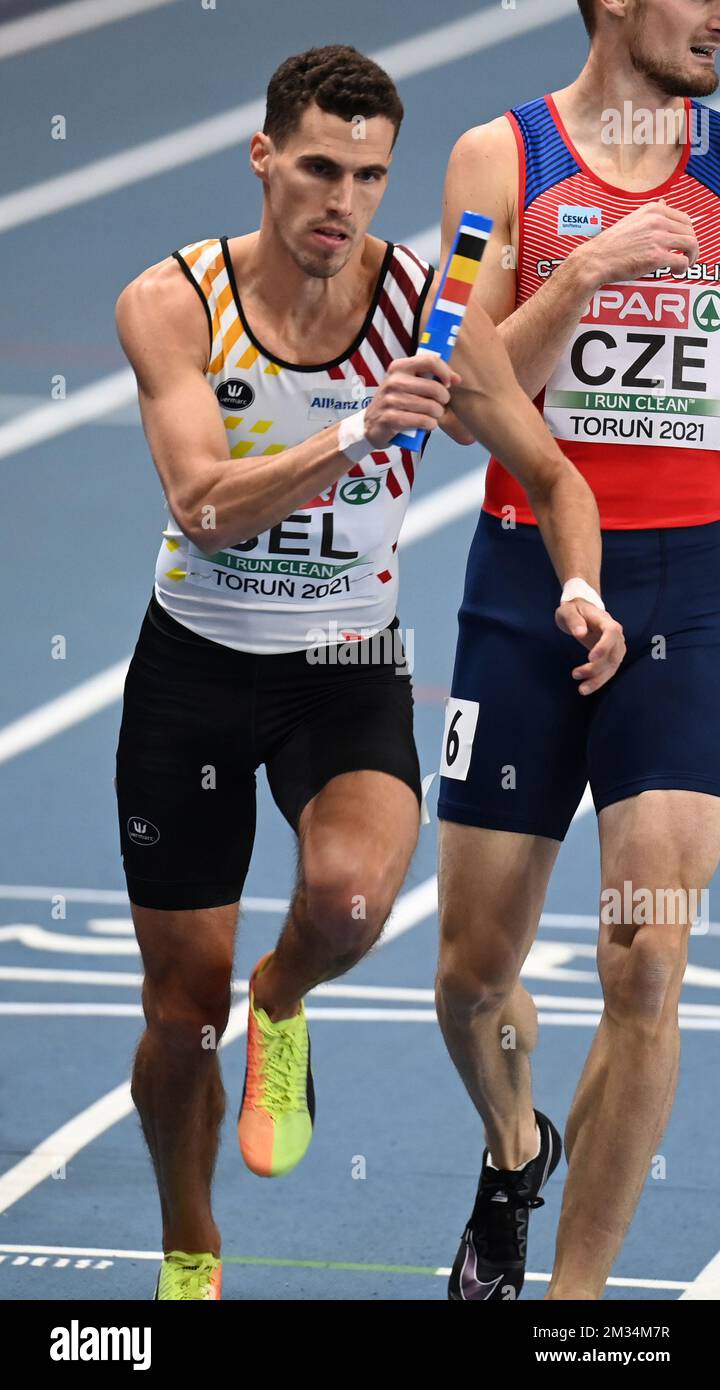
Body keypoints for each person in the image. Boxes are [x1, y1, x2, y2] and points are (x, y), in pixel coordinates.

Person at [115, 43, 624, 1300]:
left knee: (348, 905)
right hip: (194, 665)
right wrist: (356, 430)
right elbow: (201, 506)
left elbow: (554, 472)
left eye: (371, 177)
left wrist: (579, 586)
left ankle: (284, 999)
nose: (342, 200)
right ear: (263, 158)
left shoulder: (427, 311)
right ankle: (191, 1246)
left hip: (348, 664)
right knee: (182, 1013)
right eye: (320, 168)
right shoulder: (169, 304)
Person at [436, 0, 720, 1301]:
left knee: (647, 952)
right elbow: (460, 396)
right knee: (472, 974)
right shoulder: (500, 159)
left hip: (691, 588)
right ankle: (513, 1151)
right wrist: (585, 273)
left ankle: (576, 1306)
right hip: (528, 584)